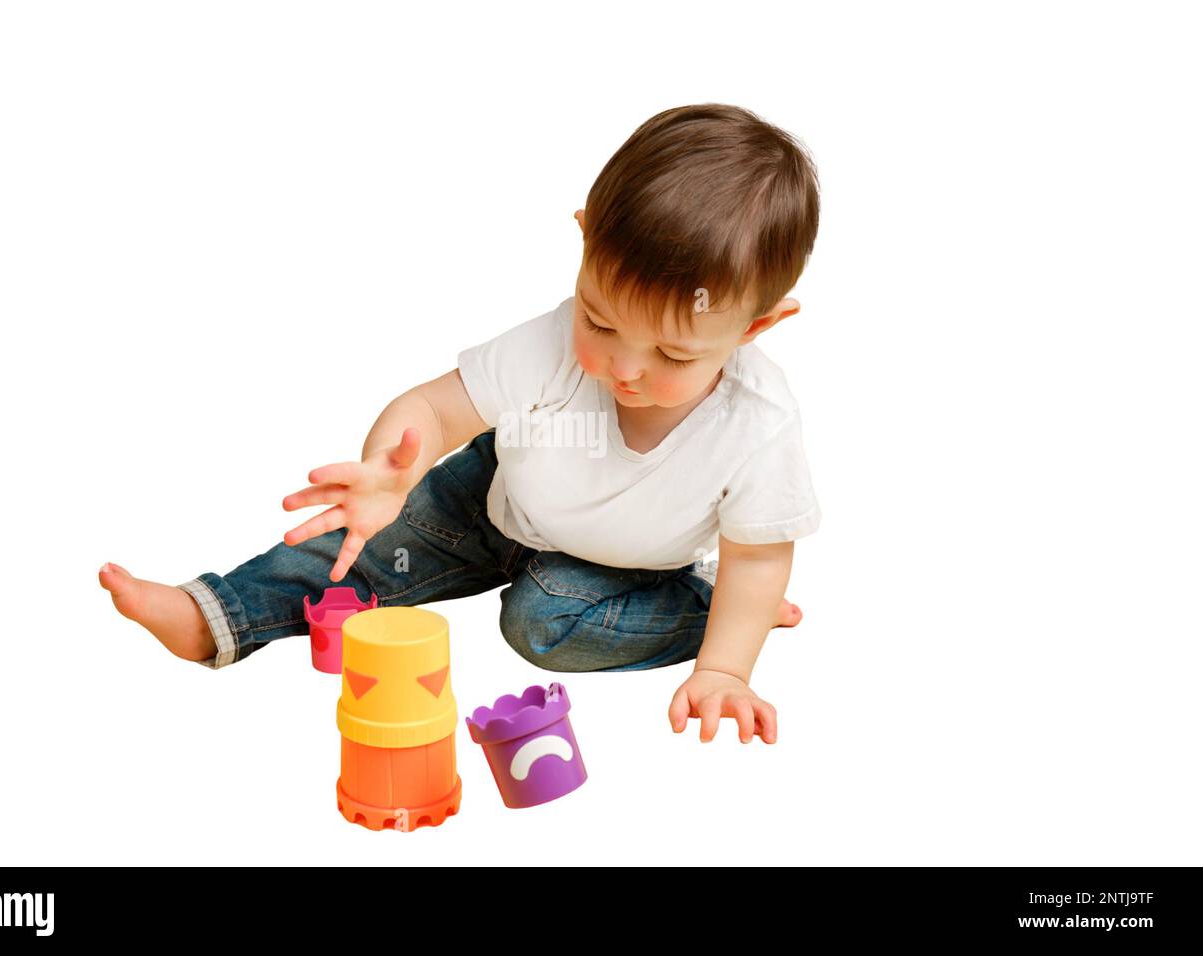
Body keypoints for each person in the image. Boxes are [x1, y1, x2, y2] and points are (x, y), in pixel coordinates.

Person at [100, 103, 822, 745]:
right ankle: (214, 618)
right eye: (599, 321)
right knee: (358, 547)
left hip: (611, 573)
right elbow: (437, 408)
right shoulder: (546, 344)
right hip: (495, 497)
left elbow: (757, 554)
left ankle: (725, 621)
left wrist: (725, 670)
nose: (623, 368)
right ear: (584, 241)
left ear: (758, 326)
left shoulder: (756, 425)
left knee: (539, 623)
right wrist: (393, 469)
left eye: (672, 352)